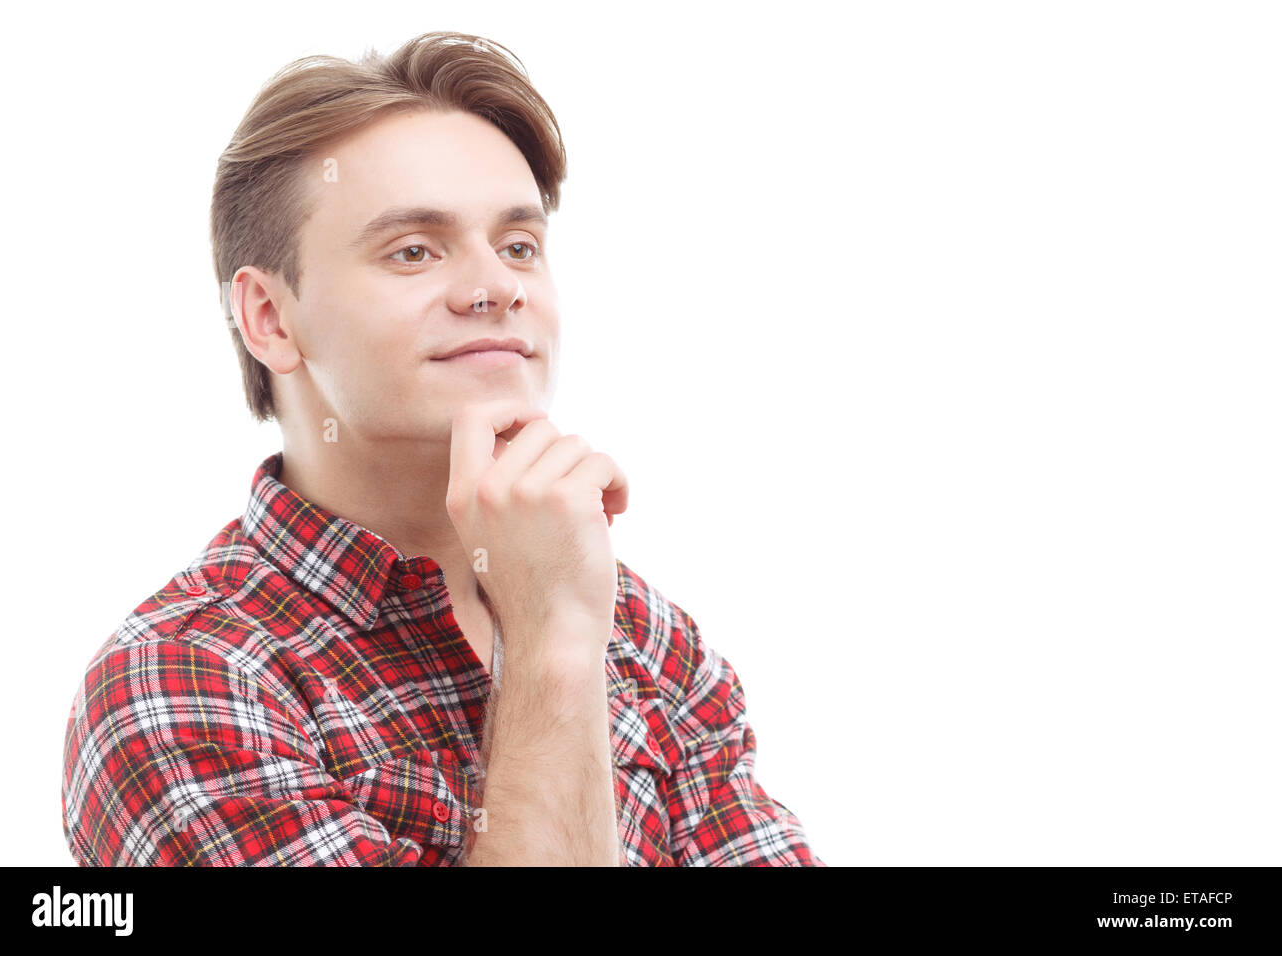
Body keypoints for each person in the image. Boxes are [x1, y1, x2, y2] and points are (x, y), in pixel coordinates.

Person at [60, 31, 825, 867]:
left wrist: (563, 622)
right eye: (414, 250)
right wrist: (552, 649)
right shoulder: (182, 683)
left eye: (519, 245)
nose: (497, 286)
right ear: (271, 319)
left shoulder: (647, 638)